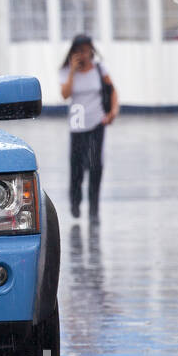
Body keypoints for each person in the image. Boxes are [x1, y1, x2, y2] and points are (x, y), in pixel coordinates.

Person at [58, 33, 118, 219]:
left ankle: (94, 207)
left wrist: (113, 112)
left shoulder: (100, 68)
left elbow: (112, 89)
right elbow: (65, 95)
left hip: (96, 123)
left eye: (86, 50)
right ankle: (75, 203)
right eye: (79, 51)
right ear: (73, 52)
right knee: (76, 168)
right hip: (77, 125)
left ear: (91, 50)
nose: (83, 55)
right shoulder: (66, 70)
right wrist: (73, 72)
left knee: (94, 165)